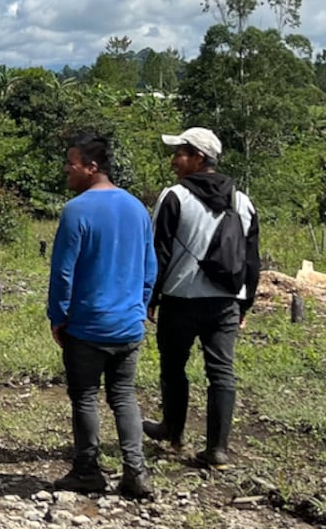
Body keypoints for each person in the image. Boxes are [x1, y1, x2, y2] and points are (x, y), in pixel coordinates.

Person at [45, 135, 157, 500]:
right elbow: (149, 267)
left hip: (88, 325)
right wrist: (139, 307)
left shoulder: (76, 211)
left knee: (86, 397)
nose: (67, 169)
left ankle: (87, 469)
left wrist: (58, 316)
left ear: (93, 168)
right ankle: (136, 472)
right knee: (124, 396)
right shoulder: (138, 209)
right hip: (127, 325)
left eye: (72, 164)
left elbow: (63, 272)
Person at [144, 127, 261, 470]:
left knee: (173, 366)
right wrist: (245, 302)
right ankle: (218, 449)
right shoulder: (243, 201)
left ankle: (173, 430)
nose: (174, 159)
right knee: (221, 371)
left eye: (180, 152)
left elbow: (158, 252)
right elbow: (252, 258)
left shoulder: (174, 197)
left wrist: (150, 296)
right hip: (226, 301)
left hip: (181, 299)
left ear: (198, 158)